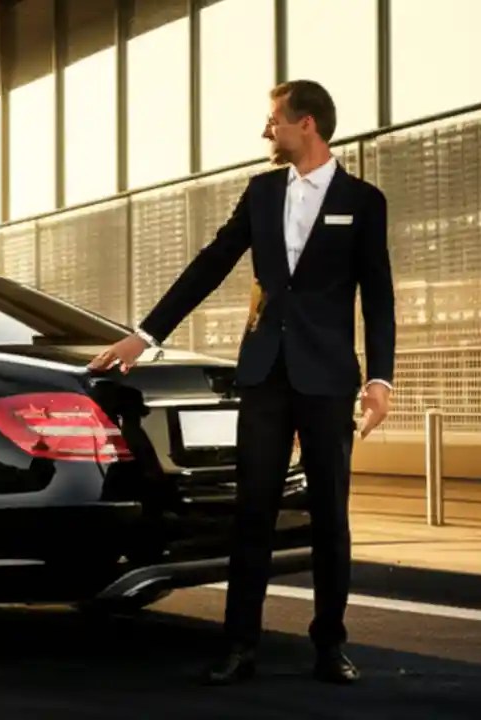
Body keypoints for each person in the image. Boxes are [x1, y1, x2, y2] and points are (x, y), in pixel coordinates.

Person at [88, 80, 395, 685]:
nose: (266, 131)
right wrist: (144, 336)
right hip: (264, 374)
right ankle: (239, 647)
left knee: (330, 515)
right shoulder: (259, 194)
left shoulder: (363, 200)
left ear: (306, 125)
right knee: (253, 512)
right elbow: (209, 263)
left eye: (274, 120)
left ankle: (330, 645)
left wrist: (381, 379)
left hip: (330, 378)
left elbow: (378, 295)